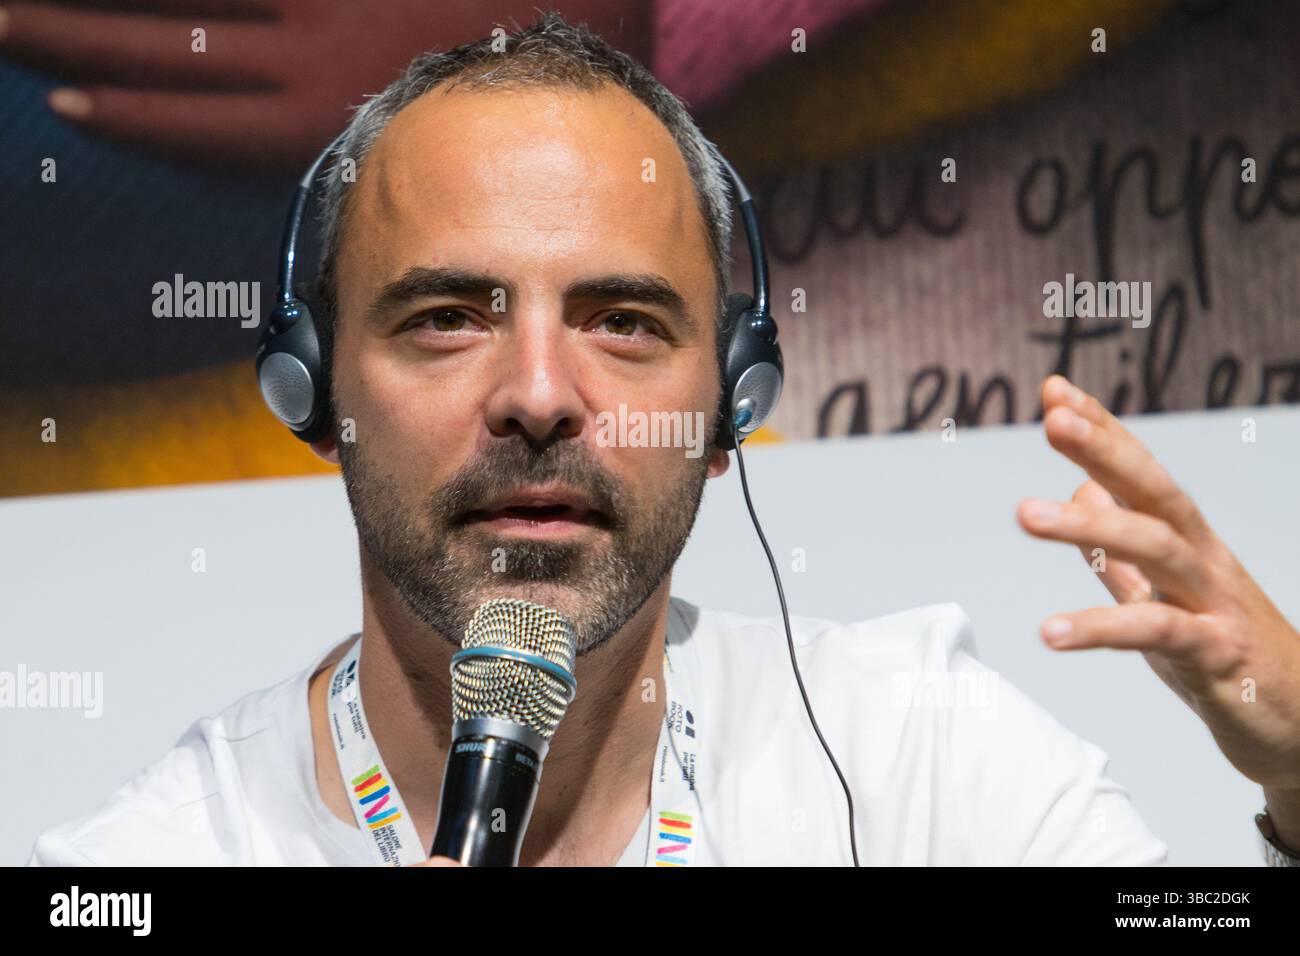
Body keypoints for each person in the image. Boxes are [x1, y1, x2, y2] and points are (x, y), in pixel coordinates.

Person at [28, 12, 1300, 867]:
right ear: (311, 388)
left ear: (729, 408)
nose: (538, 391)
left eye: (622, 321)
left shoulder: (923, 757)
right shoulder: (138, 866)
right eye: (448, 317)